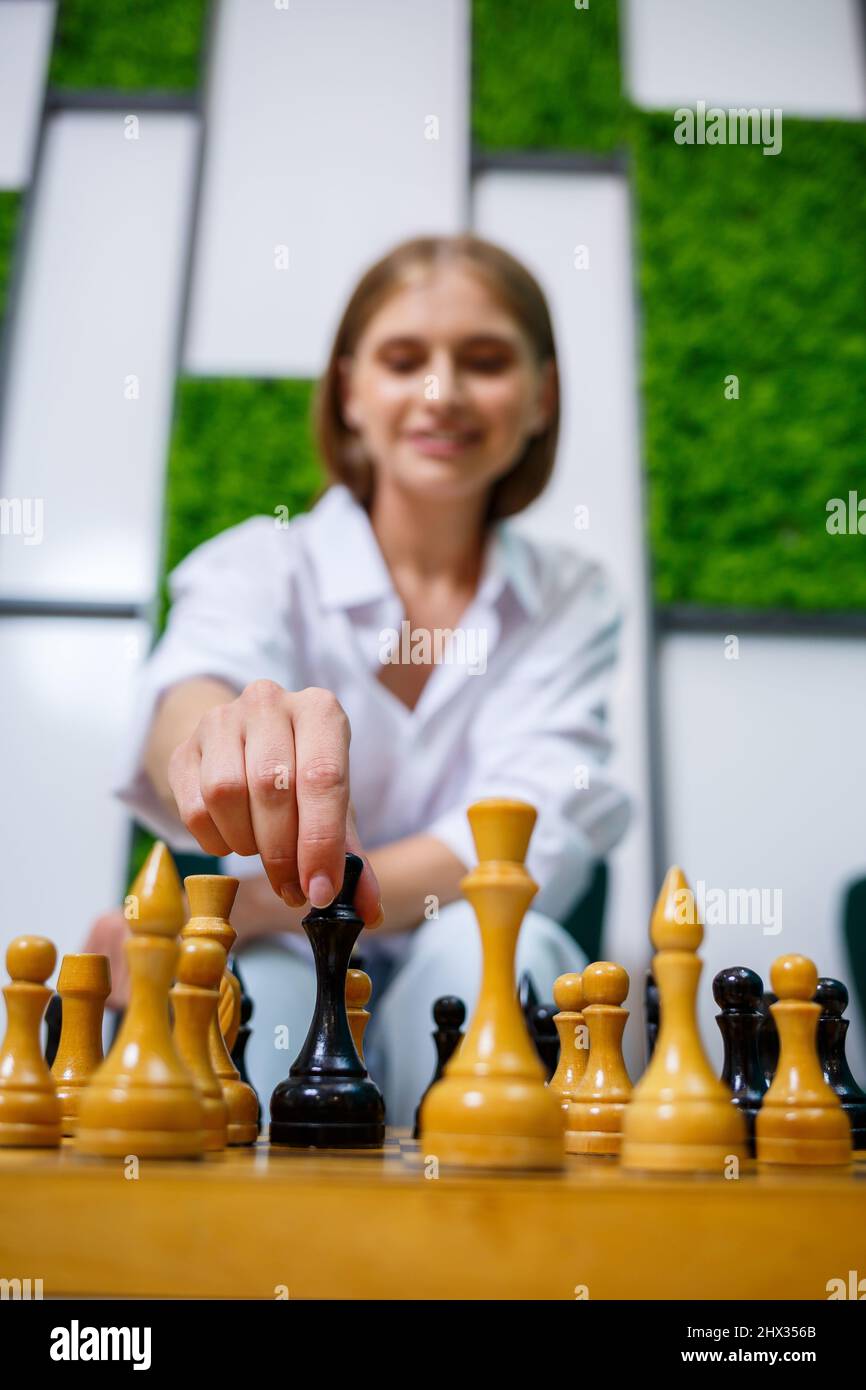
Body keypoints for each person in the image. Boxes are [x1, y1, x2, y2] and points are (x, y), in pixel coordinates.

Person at [87, 234, 631, 1126]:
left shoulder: (574, 599)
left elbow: (523, 839)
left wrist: (255, 906)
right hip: (279, 953)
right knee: (257, 1012)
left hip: (401, 939)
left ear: (542, 397)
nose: (441, 392)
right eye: (403, 359)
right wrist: (216, 730)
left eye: (485, 361)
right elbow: (191, 689)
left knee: (501, 955)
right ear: (349, 392)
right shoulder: (259, 566)